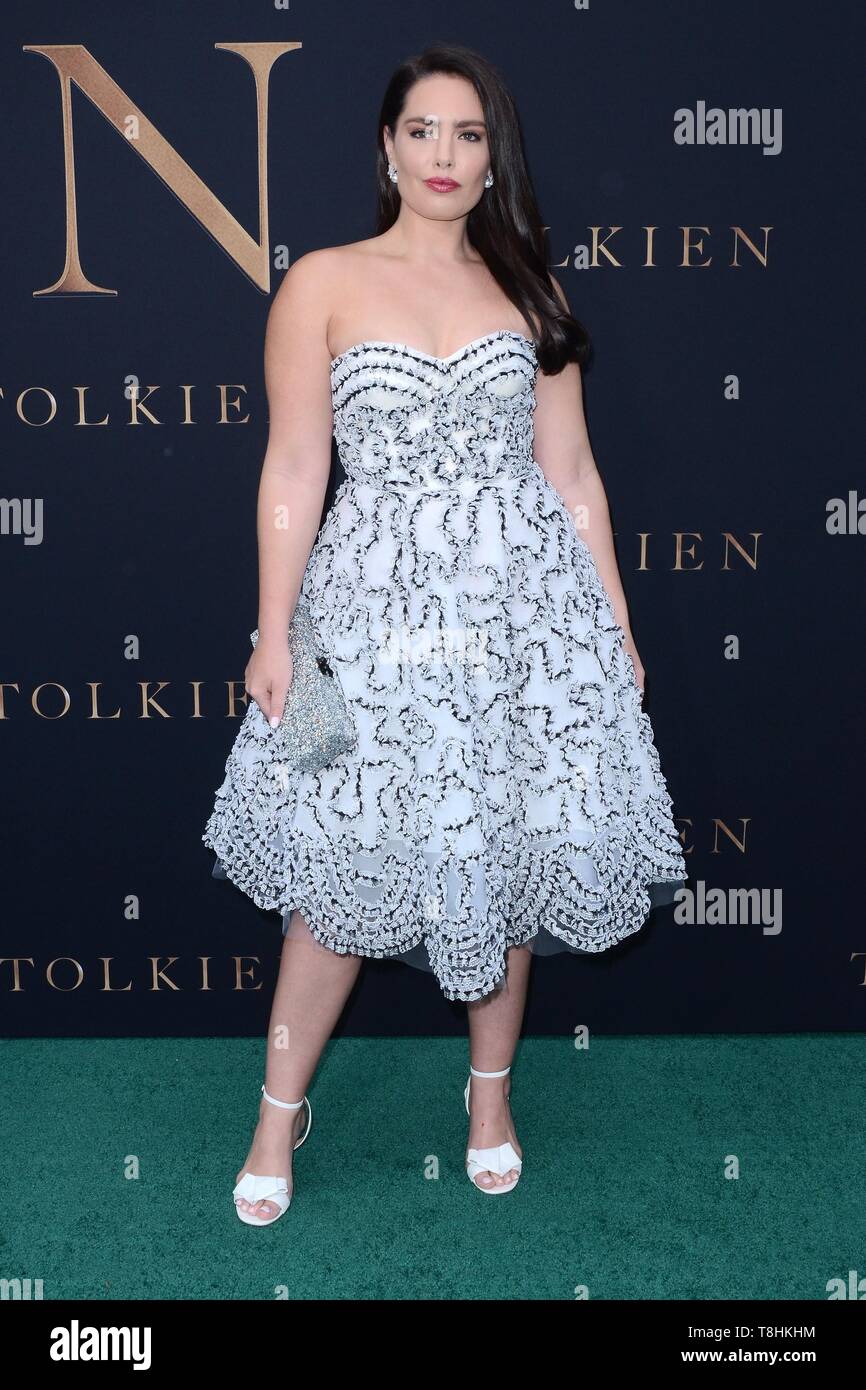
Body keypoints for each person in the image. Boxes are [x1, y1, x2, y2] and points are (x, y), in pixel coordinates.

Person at [203, 43, 688, 1223]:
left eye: (467, 135)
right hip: (354, 623)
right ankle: (278, 1113)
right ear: (385, 146)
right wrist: (273, 635)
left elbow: (570, 473)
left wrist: (612, 624)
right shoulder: (319, 281)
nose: (443, 155)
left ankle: (488, 1097)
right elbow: (292, 466)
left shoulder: (532, 295)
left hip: (520, 622)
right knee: (330, 871)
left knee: (500, 847)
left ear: (491, 160)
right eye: (422, 130)